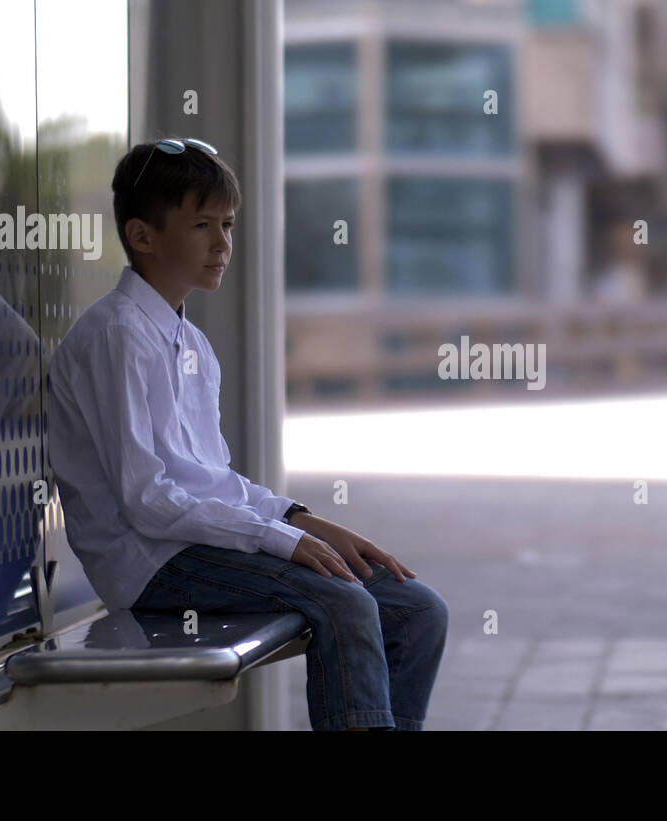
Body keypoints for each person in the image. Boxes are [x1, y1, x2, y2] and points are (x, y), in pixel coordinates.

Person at [46, 138, 447, 731]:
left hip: (194, 544)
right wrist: (278, 540)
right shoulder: (116, 336)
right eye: (202, 224)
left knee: (417, 610)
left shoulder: (190, 344)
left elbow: (212, 481)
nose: (222, 244)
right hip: (150, 561)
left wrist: (302, 520)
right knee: (342, 601)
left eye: (228, 224)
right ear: (142, 236)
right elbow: (147, 500)